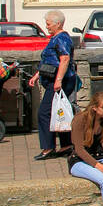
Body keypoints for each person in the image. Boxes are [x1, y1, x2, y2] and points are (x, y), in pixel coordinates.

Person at [29, 9, 76, 161]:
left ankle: (48, 148)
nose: (47, 26)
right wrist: (37, 75)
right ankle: (66, 145)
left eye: (49, 24)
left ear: (58, 23)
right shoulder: (55, 38)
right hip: (53, 79)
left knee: (44, 113)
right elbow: (49, 61)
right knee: (59, 111)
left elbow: (64, 59)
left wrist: (58, 80)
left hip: (59, 82)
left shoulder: (62, 38)